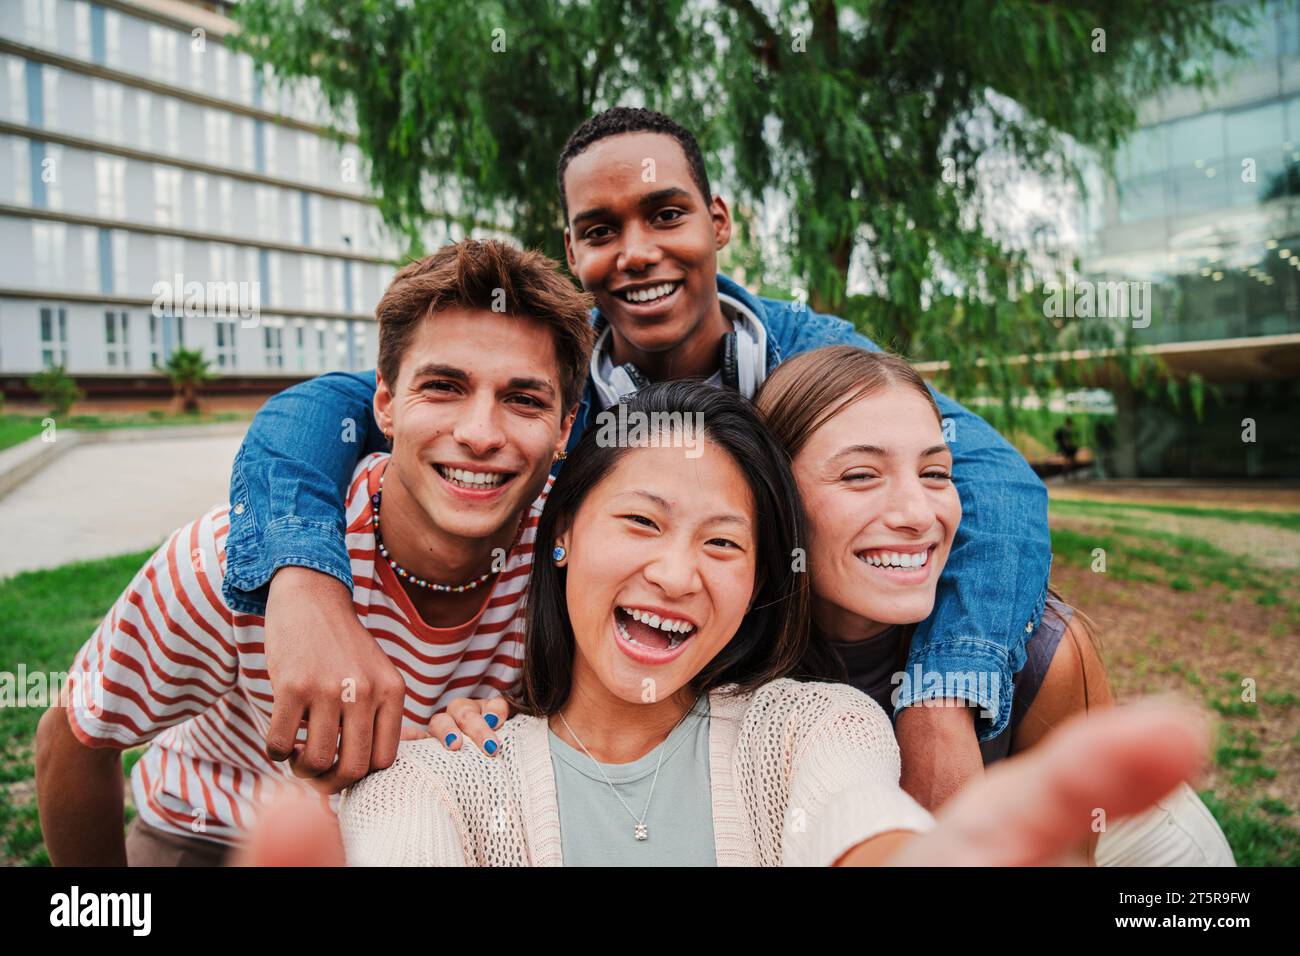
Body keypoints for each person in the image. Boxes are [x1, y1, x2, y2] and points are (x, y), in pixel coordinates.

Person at [224, 107, 1052, 809]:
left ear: (718, 221)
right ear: (572, 249)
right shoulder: (548, 383)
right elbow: (317, 412)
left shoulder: (813, 359)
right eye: (600, 230)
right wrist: (304, 584)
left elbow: (995, 480)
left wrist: (941, 699)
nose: (636, 253)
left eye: (666, 214)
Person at [336, 381, 1210, 867]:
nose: (675, 574)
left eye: (723, 541)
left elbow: (856, 818)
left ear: (763, 571)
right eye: (640, 522)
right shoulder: (433, 777)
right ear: (561, 532)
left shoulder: (814, 724)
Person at [33, 239, 595, 864]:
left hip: (434, 837)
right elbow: (76, 736)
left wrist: (509, 719)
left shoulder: (579, 556)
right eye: (442, 387)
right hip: (217, 834)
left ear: (566, 427)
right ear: (383, 403)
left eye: (523, 399)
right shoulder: (224, 561)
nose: (480, 434)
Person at [754, 345, 1234, 865]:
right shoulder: (723, 657)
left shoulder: (1050, 654)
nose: (918, 514)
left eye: (936, 474)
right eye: (861, 475)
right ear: (774, 494)